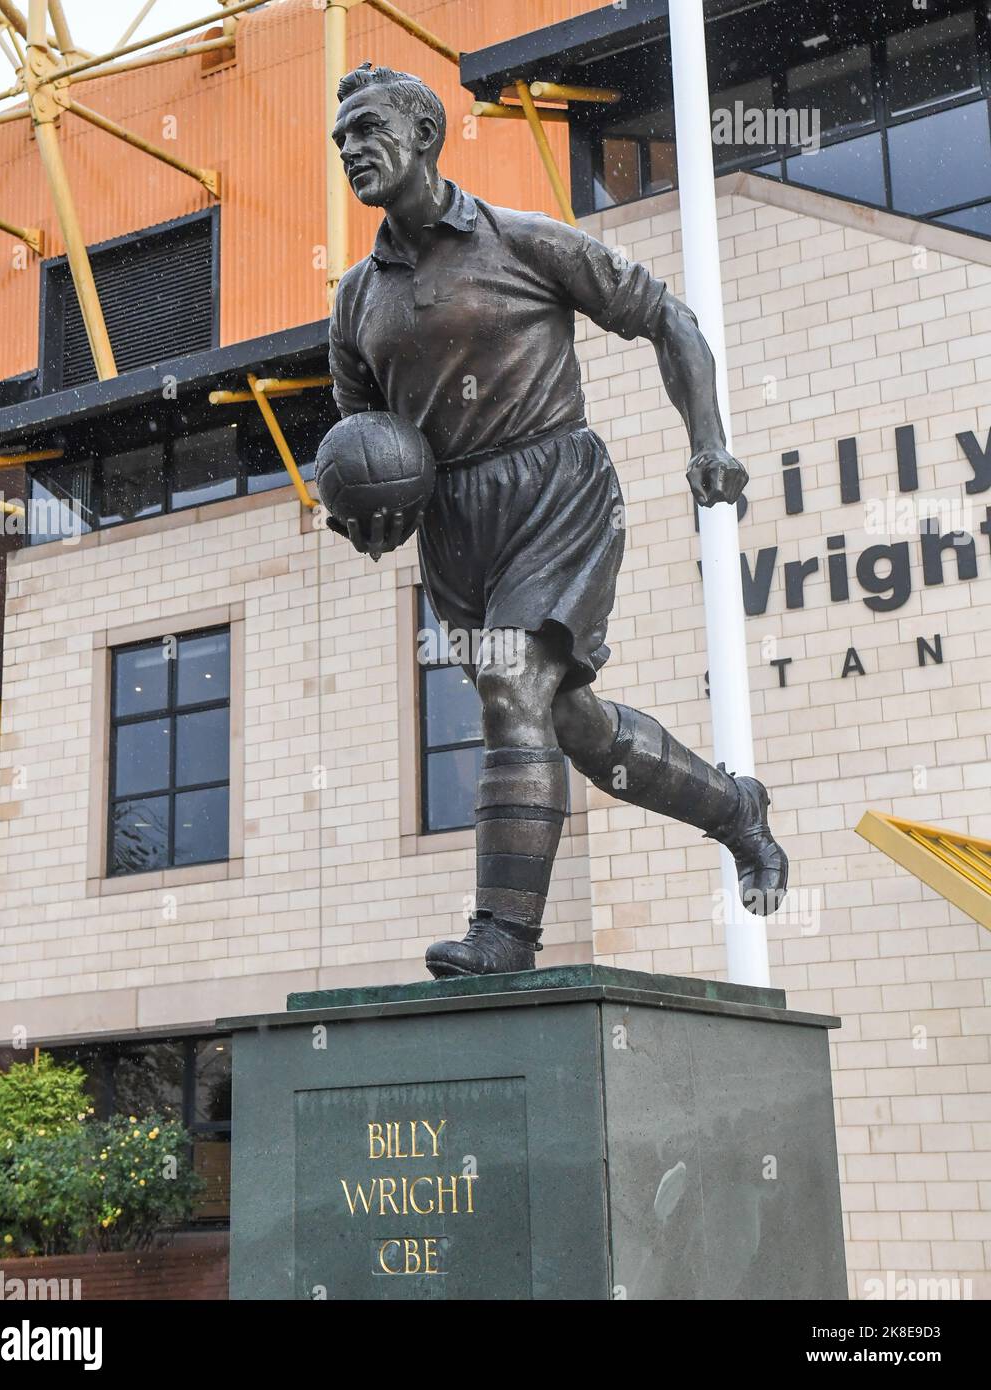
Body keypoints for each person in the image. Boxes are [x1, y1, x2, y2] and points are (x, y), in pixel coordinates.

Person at [327, 63, 787, 979]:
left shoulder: (524, 241)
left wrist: (708, 442)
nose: (351, 149)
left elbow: (669, 318)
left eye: (368, 128)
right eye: (340, 140)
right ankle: (735, 809)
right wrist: (362, 519)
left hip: (554, 489)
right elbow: (358, 444)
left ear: (424, 132)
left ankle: (504, 934)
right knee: (569, 723)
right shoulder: (355, 298)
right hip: (454, 523)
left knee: (512, 692)